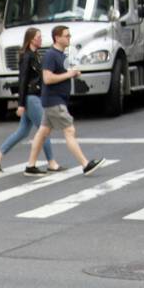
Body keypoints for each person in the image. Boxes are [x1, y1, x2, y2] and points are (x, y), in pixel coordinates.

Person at [26, 25, 104, 177]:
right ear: (57, 37)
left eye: (69, 35)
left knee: (43, 132)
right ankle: (85, 164)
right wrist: (69, 75)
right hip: (54, 100)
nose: (69, 38)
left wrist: (72, 73)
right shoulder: (51, 55)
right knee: (69, 130)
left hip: (55, 100)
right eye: (66, 35)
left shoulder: (61, 55)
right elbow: (47, 78)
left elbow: (61, 74)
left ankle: (30, 165)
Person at [0, 27, 59, 172]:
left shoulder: (36, 55)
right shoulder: (27, 56)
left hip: (35, 96)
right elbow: (23, 80)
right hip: (31, 97)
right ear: (32, 39)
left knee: (23, 131)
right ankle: (51, 162)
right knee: (44, 129)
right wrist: (21, 104)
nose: (41, 39)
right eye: (38, 37)